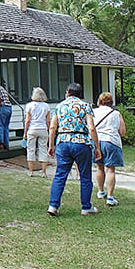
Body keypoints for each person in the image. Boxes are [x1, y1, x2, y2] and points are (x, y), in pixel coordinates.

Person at [47, 83, 102, 216]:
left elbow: (53, 127)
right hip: (81, 142)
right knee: (85, 176)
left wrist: (51, 144)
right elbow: (92, 128)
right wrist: (97, 147)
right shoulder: (85, 106)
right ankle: (86, 207)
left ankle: (53, 206)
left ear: (68, 93)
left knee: (60, 174)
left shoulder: (60, 106)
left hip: (63, 142)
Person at [93, 92, 126, 207]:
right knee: (110, 170)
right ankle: (110, 197)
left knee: (99, 167)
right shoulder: (116, 114)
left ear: (99, 101)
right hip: (111, 141)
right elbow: (122, 132)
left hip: (97, 141)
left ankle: (101, 191)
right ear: (111, 102)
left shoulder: (94, 112)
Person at [24, 87, 51, 177]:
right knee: (43, 150)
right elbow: (48, 121)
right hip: (43, 128)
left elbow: (27, 120)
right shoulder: (46, 106)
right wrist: (48, 129)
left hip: (32, 128)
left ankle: (31, 171)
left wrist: (25, 132)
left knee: (31, 149)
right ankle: (44, 172)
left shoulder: (29, 105)